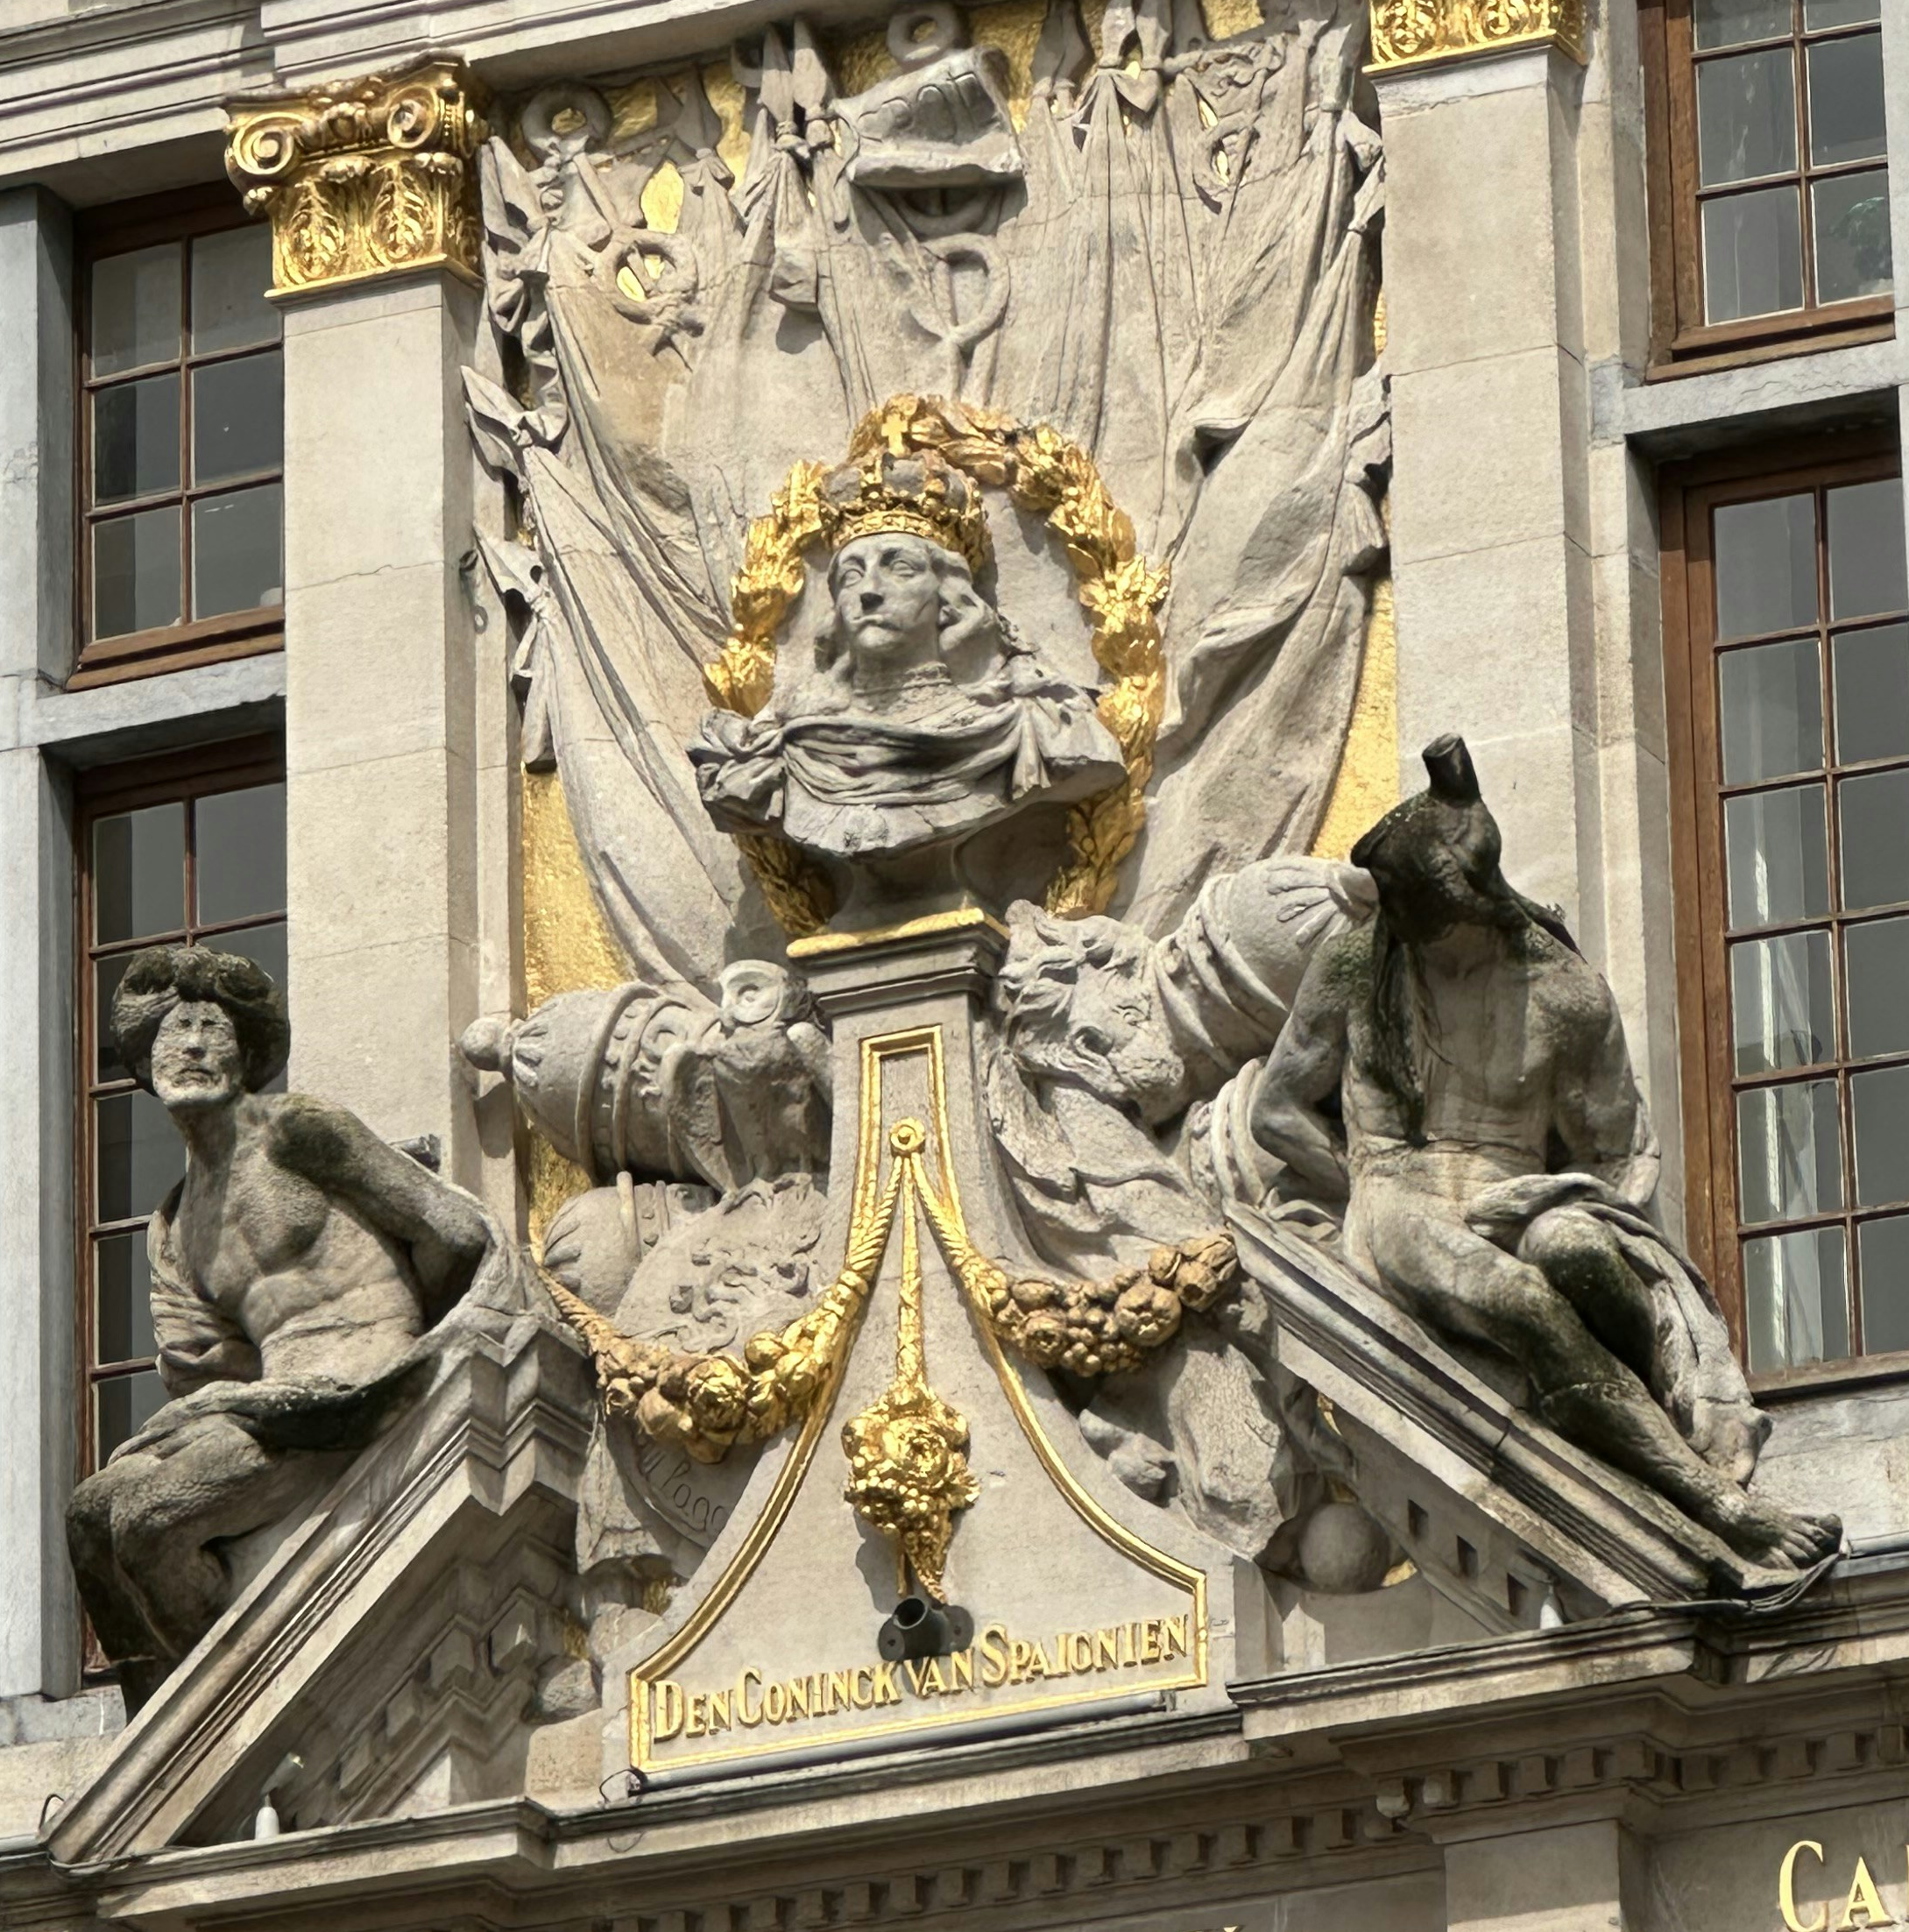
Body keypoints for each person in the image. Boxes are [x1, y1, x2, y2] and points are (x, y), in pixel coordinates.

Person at [1249, 737, 1838, 1571]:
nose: (1403, 943)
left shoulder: (1567, 995)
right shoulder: (1356, 963)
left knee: (1579, 1253)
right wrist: (1364, 1188)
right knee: (1524, 1302)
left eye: (1421, 928)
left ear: (1472, 912)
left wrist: (1585, 1209)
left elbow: (1618, 1154)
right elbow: (1278, 1111)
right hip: (1399, 1195)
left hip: (1520, 1191)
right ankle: (1716, 1503)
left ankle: (1616, 1414)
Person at [68, 945, 496, 1686]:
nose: (195, 1046)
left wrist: (393, 1333)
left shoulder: (300, 1131)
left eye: (213, 1030)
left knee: (148, 1521)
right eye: (175, 1032)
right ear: (145, 1058)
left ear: (247, 1052)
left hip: (366, 1377)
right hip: (272, 1404)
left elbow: (454, 1234)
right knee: (90, 1514)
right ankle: (182, 1701)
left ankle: (246, 1694)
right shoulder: (172, 1228)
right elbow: (208, 1369)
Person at [689, 449, 1121, 930]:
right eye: (851, 575)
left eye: (899, 568)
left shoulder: (1030, 727)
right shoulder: (775, 751)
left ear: (947, 599)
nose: (869, 590)